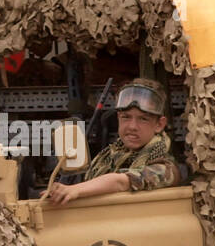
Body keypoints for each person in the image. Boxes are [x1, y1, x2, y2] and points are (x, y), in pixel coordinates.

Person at [45, 78, 182, 205]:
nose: (132, 126)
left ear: (159, 124)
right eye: (126, 117)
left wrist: (74, 190)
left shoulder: (166, 168)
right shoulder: (108, 156)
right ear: (118, 118)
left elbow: (120, 182)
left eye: (143, 119)